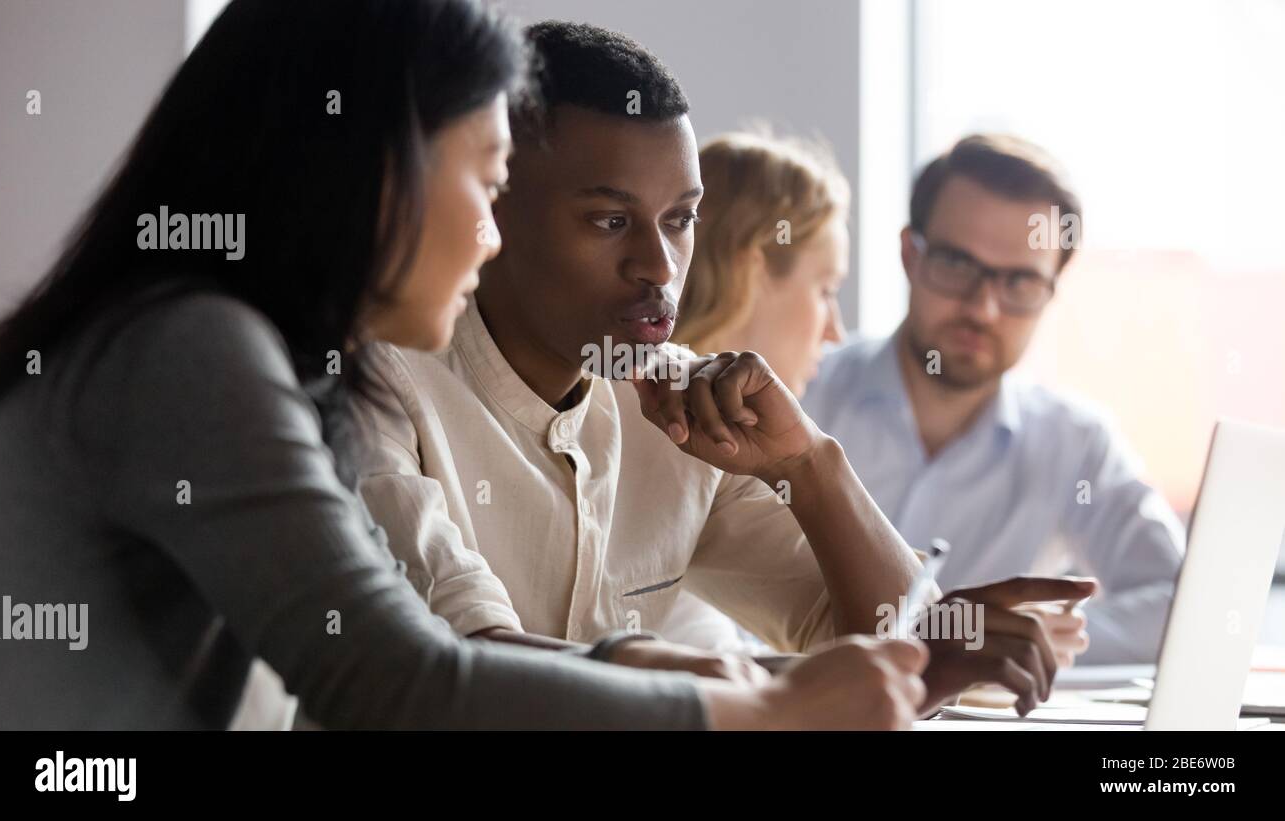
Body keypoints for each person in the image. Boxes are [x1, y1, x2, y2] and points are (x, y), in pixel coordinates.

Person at [0, 0, 932, 731]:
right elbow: (395, 680)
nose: (486, 232)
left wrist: (810, 474)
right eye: (483, 178)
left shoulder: (243, 354)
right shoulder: (192, 352)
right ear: (376, 170)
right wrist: (753, 711)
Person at [359, 21, 1095, 717]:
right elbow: (461, 663)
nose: (658, 266)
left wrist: (810, 463)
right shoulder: (378, 385)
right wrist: (764, 688)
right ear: (495, 210)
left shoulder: (682, 404)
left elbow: (899, 659)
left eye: (680, 219)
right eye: (611, 221)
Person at [802, 134, 1184, 664]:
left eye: (1020, 283)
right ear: (911, 255)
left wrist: (1022, 636)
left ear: (1050, 290)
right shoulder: (804, 395)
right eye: (959, 265)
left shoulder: (1075, 443)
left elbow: (1180, 606)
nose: (983, 309)